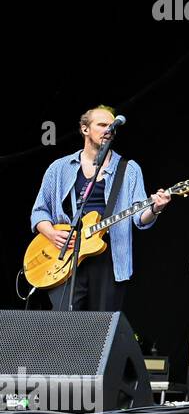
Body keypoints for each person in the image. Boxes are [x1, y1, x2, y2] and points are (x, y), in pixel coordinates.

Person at [30, 106, 172, 312]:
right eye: (103, 125)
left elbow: (140, 218)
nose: (109, 130)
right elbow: (39, 211)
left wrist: (156, 208)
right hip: (66, 253)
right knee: (62, 325)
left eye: (112, 126)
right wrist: (51, 233)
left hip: (108, 258)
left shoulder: (129, 169)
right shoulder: (59, 168)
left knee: (101, 327)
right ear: (85, 129)